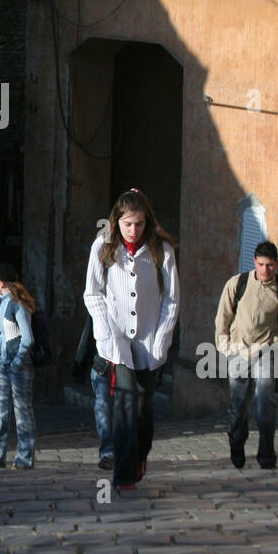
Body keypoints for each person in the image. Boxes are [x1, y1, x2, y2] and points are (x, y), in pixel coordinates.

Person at [84, 189, 179, 492]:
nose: (133, 230)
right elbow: (92, 293)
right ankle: (123, 476)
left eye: (138, 224)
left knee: (143, 409)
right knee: (125, 403)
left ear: (146, 221)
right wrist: (104, 331)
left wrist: (162, 340)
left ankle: (139, 458)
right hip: (116, 341)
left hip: (150, 341)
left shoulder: (161, 249)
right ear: (117, 222)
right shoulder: (104, 246)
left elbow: (172, 299)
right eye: (127, 224)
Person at [215, 240, 278, 471]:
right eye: (261, 264)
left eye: (270, 265)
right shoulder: (238, 283)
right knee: (238, 404)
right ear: (254, 262)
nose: (265, 270)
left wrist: (274, 341)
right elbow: (223, 315)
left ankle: (266, 455)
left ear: (277, 264)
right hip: (238, 350)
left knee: (265, 401)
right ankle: (236, 443)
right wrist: (225, 346)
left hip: (265, 351)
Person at [0, 263, 37, 470]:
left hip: (18, 366)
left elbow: (27, 338)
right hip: (4, 362)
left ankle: (24, 457)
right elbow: (5, 331)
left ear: (0, 282)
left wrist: (18, 360)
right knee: (0, 411)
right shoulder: (3, 303)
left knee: (22, 411)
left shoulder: (18, 304)